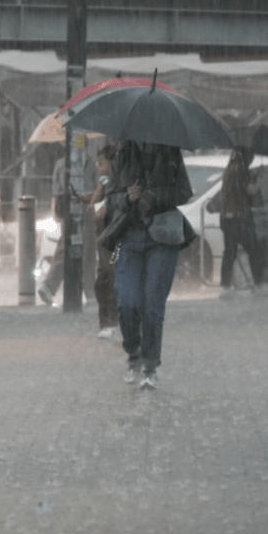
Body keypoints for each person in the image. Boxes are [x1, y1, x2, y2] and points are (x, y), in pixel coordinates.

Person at [102, 140, 193, 390]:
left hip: (162, 237)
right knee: (128, 303)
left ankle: (150, 366)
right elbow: (110, 199)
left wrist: (155, 194)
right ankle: (134, 354)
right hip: (128, 237)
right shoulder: (122, 156)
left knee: (153, 304)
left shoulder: (171, 153)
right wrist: (127, 198)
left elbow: (184, 192)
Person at [37, 135, 97, 307]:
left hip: (77, 209)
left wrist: (56, 210)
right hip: (78, 209)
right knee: (82, 250)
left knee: (69, 249)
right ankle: (88, 290)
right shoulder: (85, 164)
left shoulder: (69, 164)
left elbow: (56, 192)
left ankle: (50, 287)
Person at [218, 148, 268, 298]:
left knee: (230, 252)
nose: (251, 160)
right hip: (240, 218)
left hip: (227, 217)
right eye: (250, 157)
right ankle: (259, 284)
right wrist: (259, 178)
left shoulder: (229, 170)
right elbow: (251, 191)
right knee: (255, 250)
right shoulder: (241, 170)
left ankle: (225, 287)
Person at [91, 143, 119, 339]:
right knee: (103, 281)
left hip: (114, 238)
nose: (98, 165)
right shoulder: (106, 182)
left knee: (108, 279)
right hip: (104, 239)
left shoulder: (117, 183)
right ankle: (109, 323)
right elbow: (94, 206)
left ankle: (111, 323)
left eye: (101, 162)